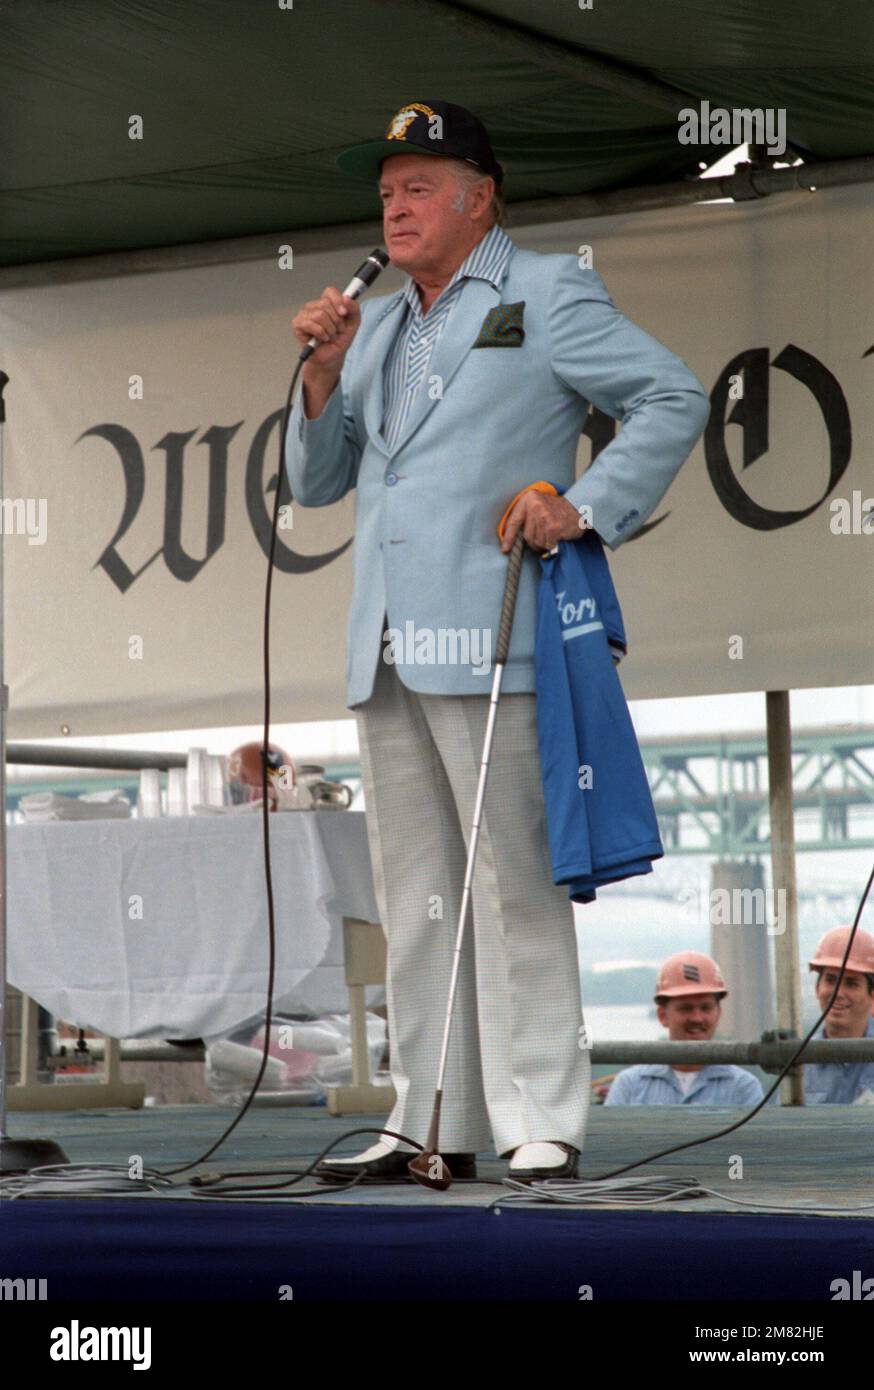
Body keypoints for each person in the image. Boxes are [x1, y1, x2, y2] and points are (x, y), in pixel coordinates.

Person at [285, 99, 710, 1182]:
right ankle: (426, 1113)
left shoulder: (546, 289)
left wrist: (584, 502)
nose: (394, 205)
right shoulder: (373, 324)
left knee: (512, 886)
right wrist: (322, 376)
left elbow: (669, 393)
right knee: (416, 899)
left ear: (480, 196)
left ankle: (540, 1111)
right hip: (384, 637)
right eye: (385, 192)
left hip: (493, 624)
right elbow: (314, 480)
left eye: (417, 186)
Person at [604, 951, 764, 1106]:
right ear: (662, 1016)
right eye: (686, 1008)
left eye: (706, 1008)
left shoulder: (744, 1088)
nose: (697, 1018)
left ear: (718, 1013)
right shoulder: (630, 1086)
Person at [803, 926, 874, 1104]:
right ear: (817, 988)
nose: (837, 993)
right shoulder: (800, 1063)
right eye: (831, 980)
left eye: (851, 983)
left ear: (872, 996)